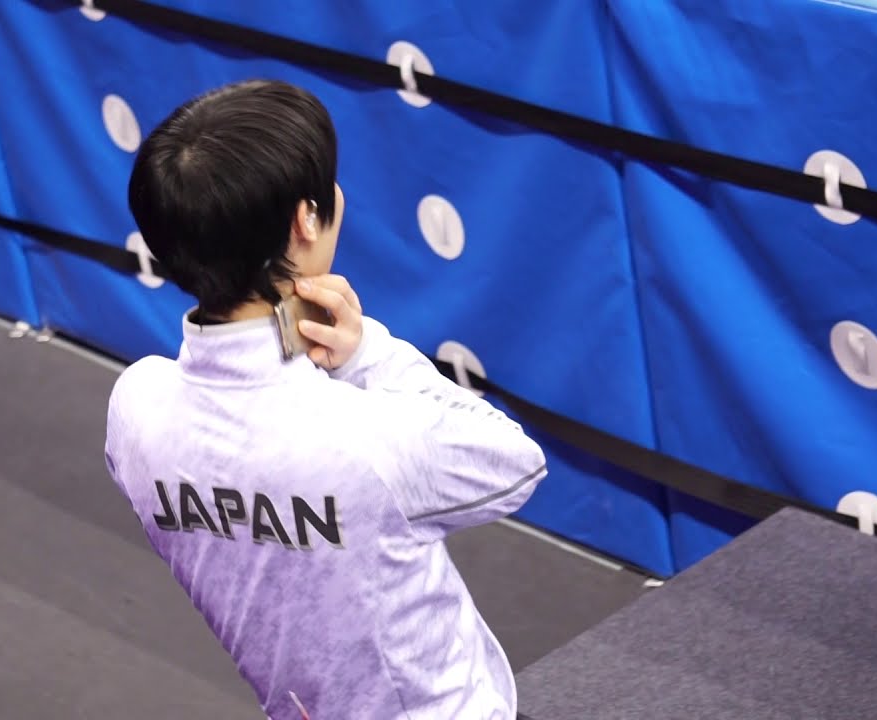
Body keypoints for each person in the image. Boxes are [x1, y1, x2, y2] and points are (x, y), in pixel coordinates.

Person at [105, 79, 548, 720]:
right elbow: (517, 463)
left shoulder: (134, 407)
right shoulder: (366, 439)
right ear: (305, 220)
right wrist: (368, 353)